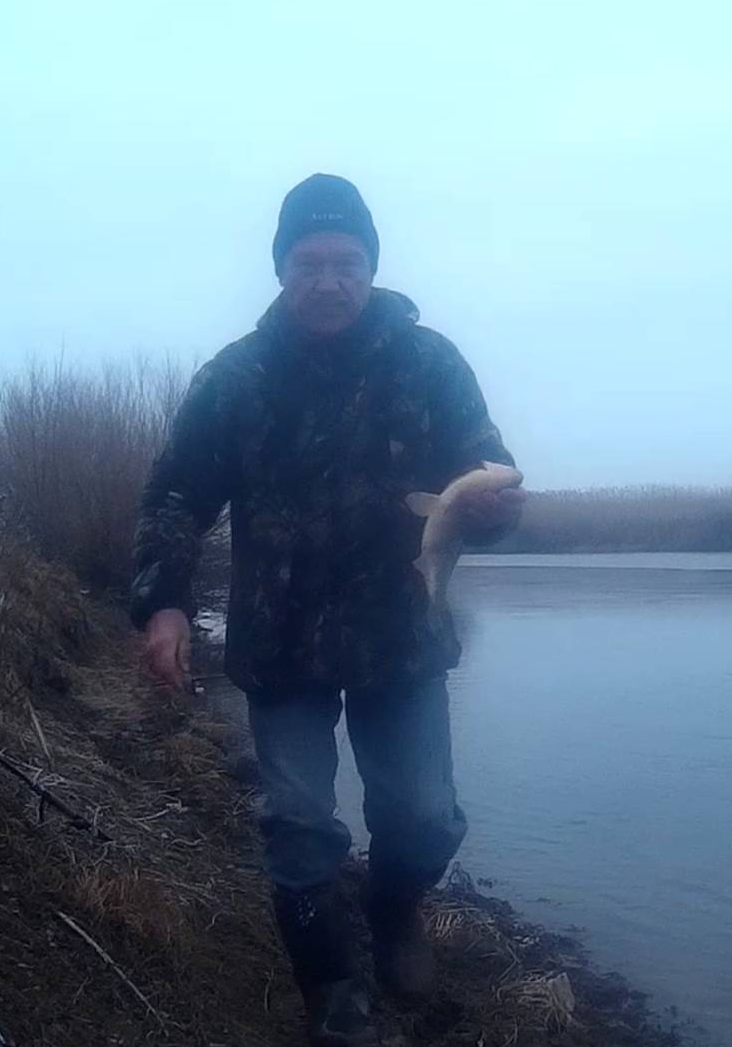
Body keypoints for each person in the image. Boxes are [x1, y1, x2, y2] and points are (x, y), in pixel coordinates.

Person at [130, 173, 525, 1046]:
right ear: (280, 271)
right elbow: (174, 497)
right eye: (309, 263)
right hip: (281, 642)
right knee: (301, 825)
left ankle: (392, 914)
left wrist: (497, 510)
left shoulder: (432, 364)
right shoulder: (234, 378)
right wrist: (158, 605)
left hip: (402, 633)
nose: (329, 279)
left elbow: (487, 474)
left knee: (424, 820)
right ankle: (333, 988)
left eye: (346, 262)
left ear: (371, 268)